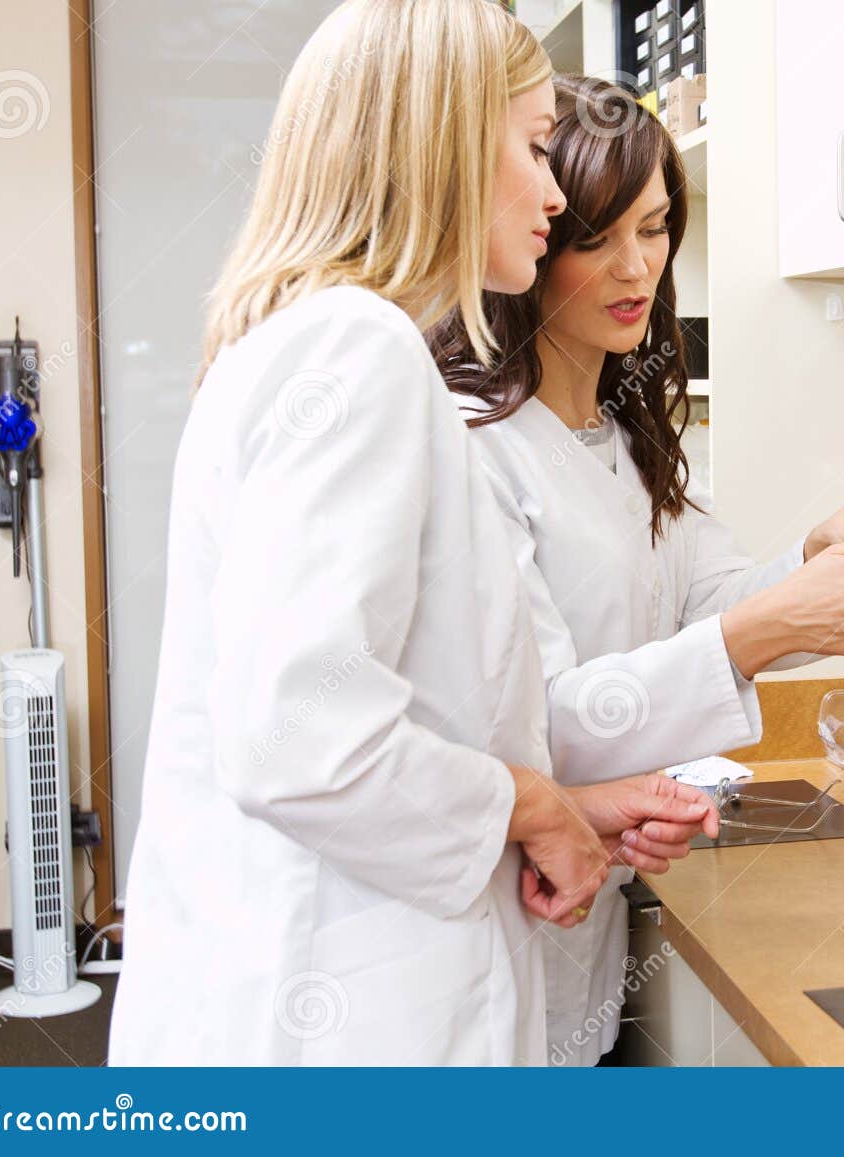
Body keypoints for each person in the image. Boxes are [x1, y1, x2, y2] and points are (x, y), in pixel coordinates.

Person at [109, 2, 715, 1067]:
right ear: (439, 145)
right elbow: (299, 738)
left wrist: (559, 807)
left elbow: (391, 707)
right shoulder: (358, 347)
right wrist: (527, 800)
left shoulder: (303, 342)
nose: (556, 190)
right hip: (344, 1023)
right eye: (534, 148)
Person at [432, 76, 844, 1066]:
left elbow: (697, 600)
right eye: (595, 236)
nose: (634, 267)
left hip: (587, 926)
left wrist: (816, 560)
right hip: (484, 948)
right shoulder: (472, 444)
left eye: (655, 229)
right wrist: (775, 624)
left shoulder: (618, 435)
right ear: (525, 241)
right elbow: (538, 727)